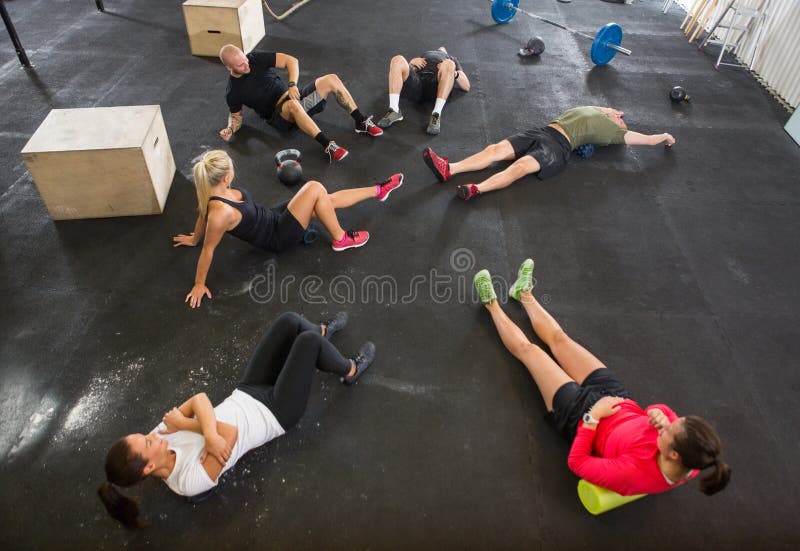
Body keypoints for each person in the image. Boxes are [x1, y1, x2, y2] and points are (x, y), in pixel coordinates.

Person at [471, 259, 731, 497]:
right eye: (674, 421)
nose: (668, 423)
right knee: (560, 339)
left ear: (673, 454)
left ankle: (491, 304)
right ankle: (523, 293)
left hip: (579, 417)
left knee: (532, 352)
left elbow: (577, 462)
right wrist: (657, 414)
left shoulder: (633, 475)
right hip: (618, 399)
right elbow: (662, 412)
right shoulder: (695, 456)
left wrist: (593, 416)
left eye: (668, 429)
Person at [98, 311, 375, 528]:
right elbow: (229, 434)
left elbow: (199, 398)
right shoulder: (187, 481)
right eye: (147, 442)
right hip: (275, 414)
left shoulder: (158, 440)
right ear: (147, 469)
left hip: (246, 392)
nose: (154, 435)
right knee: (308, 343)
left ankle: (323, 331)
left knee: (289, 322)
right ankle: (350, 370)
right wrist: (192, 427)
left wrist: (204, 433)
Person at [173, 150, 403, 308]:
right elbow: (209, 250)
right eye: (231, 170)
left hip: (274, 217)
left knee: (324, 199)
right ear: (225, 178)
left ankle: (377, 191)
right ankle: (341, 238)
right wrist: (199, 284)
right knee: (314, 188)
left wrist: (194, 238)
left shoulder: (211, 191)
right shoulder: (220, 213)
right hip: (278, 236)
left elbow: (202, 214)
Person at [422, 106, 676, 200]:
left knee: (519, 168)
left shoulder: (614, 133)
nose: (622, 121)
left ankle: (476, 189)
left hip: (558, 148)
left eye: (623, 123)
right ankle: (449, 169)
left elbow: (647, 139)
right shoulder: (602, 110)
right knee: (495, 150)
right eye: (621, 119)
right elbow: (612, 108)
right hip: (541, 131)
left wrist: (664, 136)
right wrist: (611, 110)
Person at [218, 45, 383, 162]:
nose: (246, 64)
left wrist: (292, 84)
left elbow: (291, 61)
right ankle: (328, 145)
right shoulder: (233, 91)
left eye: (244, 59)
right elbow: (236, 117)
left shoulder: (254, 58)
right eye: (240, 64)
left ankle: (360, 121)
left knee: (330, 79)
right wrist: (230, 129)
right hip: (281, 118)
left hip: (296, 99)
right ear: (228, 68)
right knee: (293, 106)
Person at [376, 47, 470, 135]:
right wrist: (411, 64)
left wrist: (453, 72)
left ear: (446, 52)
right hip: (418, 84)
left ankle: (436, 114)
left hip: (436, 87)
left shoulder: (452, 59)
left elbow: (466, 86)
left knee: (449, 64)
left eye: (442, 49)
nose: (440, 48)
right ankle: (394, 111)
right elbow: (408, 72)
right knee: (397, 59)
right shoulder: (426, 54)